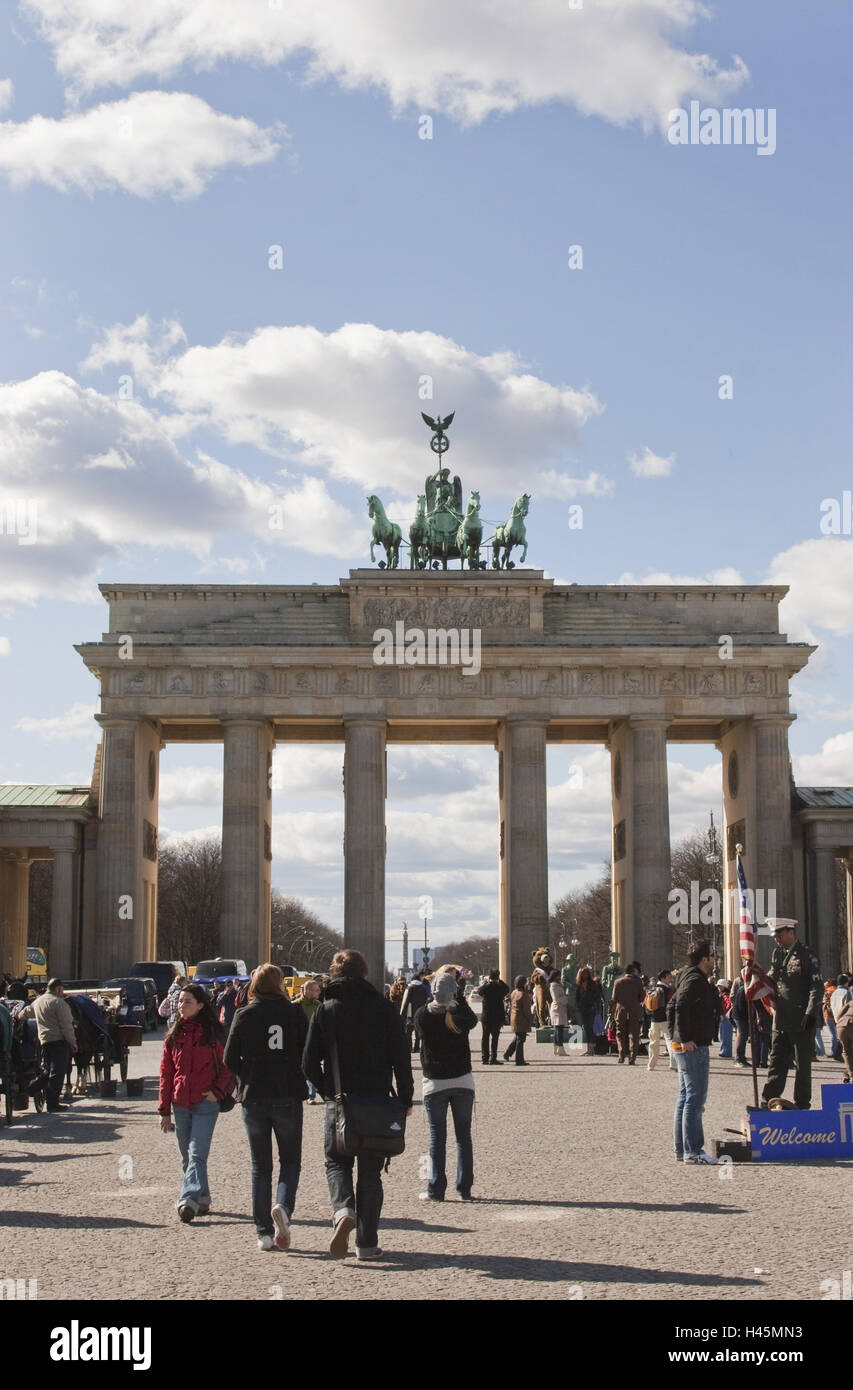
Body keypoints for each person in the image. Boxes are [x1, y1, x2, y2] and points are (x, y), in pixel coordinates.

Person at [302, 949, 413, 1264]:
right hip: (377, 1102)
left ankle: (343, 1210)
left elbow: (308, 1062)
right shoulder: (384, 1008)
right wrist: (404, 1098)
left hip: (341, 1102)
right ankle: (367, 1243)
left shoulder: (326, 1010)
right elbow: (401, 1058)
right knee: (370, 1173)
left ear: (333, 976)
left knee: (336, 1162)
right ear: (365, 973)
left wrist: (328, 1094)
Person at [224, 963, 308, 1252]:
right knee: (291, 1161)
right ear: (280, 984)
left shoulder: (244, 1014)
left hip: (255, 1094)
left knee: (260, 1165)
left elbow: (229, 1058)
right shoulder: (294, 1012)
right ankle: (283, 1207)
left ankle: (263, 1232)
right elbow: (308, 1051)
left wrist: (247, 1075)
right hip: (287, 1093)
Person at [158, 983, 231, 1222]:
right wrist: (164, 1109)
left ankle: (187, 1199)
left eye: (187, 1001)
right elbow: (166, 1073)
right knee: (187, 1156)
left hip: (205, 1101)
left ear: (200, 1005)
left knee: (197, 1153)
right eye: (180, 1001)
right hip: (180, 1101)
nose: (182, 1005)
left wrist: (217, 1092)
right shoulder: (174, 1034)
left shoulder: (213, 1034)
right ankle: (203, 1199)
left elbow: (227, 1066)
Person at [414, 971, 478, 1201]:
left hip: (435, 1082)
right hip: (462, 1080)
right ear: (455, 991)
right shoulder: (461, 1015)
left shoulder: (422, 1014)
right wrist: (458, 1000)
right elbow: (472, 1020)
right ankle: (464, 1189)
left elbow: (420, 1034)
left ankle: (436, 1189)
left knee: (436, 1138)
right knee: (464, 1137)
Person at [761, 919, 823, 1110]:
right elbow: (772, 978)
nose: (777, 940)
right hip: (780, 1019)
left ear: (791, 932)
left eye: (780, 936)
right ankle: (768, 1100)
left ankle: (802, 1104)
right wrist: (755, 973)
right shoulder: (778, 953)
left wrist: (811, 1013)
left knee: (802, 1066)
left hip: (800, 1020)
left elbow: (816, 986)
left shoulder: (806, 954)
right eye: (775, 937)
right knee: (776, 1062)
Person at [670, 940, 718, 1164]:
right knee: (695, 1099)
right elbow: (679, 1005)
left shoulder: (684, 975)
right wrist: (685, 1037)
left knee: (685, 1097)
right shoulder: (695, 979)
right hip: (694, 1045)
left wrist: (675, 1036)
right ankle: (693, 1151)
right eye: (712, 955)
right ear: (704, 959)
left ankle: (682, 1149)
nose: (714, 959)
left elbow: (671, 1005)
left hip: (685, 1044)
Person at [23, 978, 77, 1112]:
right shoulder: (60, 1003)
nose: (63, 992)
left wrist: (17, 1015)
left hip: (44, 1042)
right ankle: (51, 1103)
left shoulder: (38, 1001)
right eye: (62, 990)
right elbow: (66, 1027)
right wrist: (73, 1042)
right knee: (58, 1073)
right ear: (58, 989)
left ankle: (33, 1087)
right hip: (59, 1041)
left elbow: (27, 1012)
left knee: (49, 1071)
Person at [611, 961, 644, 1064]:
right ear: (633, 971)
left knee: (620, 1033)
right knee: (633, 1034)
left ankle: (621, 1055)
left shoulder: (618, 982)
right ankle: (632, 1057)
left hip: (621, 1010)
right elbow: (642, 996)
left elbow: (614, 998)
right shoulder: (638, 981)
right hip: (634, 1010)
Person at [645, 968, 675, 1071]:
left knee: (653, 1043)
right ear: (663, 978)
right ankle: (673, 1063)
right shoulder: (668, 990)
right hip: (665, 1019)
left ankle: (651, 1065)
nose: (670, 979)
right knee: (670, 1042)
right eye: (668, 977)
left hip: (654, 1019)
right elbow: (672, 1004)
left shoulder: (652, 989)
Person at [297, 978, 322, 1101]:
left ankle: (311, 1094)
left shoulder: (319, 1006)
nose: (319, 993)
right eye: (316, 990)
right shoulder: (295, 1006)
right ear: (307, 990)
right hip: (298, 1043)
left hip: (313, 1042)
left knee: (311, 1065)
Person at [478, 968, 509, 1064]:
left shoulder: (486, 987)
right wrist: (499, 980)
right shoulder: (500, 986)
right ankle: (493, 1058)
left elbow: (480, 991)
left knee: (485, 1038)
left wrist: (487, 982)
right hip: (497, 1016)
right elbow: (507, 989)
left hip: (487, 1016)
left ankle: (485, 1057)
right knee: (495, 1038)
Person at [575, 967, 604, 1057]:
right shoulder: (579, 985)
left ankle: (591, 1049)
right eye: (583, 974)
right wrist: (578, 1006)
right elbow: (577, 997)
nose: (585, 975)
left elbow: (597, 996)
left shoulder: (592, 984)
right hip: (583, 1009)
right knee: (586, 1029)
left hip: (591, 1009)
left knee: (591, 1029)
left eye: (586, 973)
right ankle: (588, 1049)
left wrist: (594, 1006)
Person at [503, 976, 533, 1065]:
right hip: (521, 1018)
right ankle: (519, 1060)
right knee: (521, 1039)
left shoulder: (514, 992)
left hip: (514, 1017)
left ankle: (508, 1053)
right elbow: (526, 1010)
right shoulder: (524, 995)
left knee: (517, 1037)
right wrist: (530, 1019)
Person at [829, 974, 853, 1082]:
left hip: (839, 1024)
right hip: (850, 1022)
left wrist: (837, 1021)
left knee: (846, 1050)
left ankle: (851, 1074)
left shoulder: (833, 993)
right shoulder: (846, 993)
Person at [400, 973, 429, 1053]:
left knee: (409, 1031)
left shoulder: (409, 988)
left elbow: (405, 1002)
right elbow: (426, 1000)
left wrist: (402, 1013)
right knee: (418, 1030)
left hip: (410, 1012)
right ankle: (417, 1047)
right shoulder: (423, 988)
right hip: (420, 1012)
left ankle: (409, 1047)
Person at [548, 970, 569, 1057]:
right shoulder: (553, 985)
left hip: (560, 1008)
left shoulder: (558, 984)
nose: (559, 977)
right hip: (557, 1008)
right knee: (558, 1029)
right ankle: (560, 1048)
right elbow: (556, 998)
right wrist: (565, 998)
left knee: (558, 1028)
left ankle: (557, 1048)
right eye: (558, 975)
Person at [717, 981, 733, 1059]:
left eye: (720, 986)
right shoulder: (724, 994)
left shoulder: (725, 995)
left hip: (725, 1017)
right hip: (724, 1016)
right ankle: (724, 1050)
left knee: (725, 1034)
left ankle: (725, 1051)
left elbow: (729, 1005)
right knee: (723, 1034)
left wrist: (724, 1014)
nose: (718, 988)